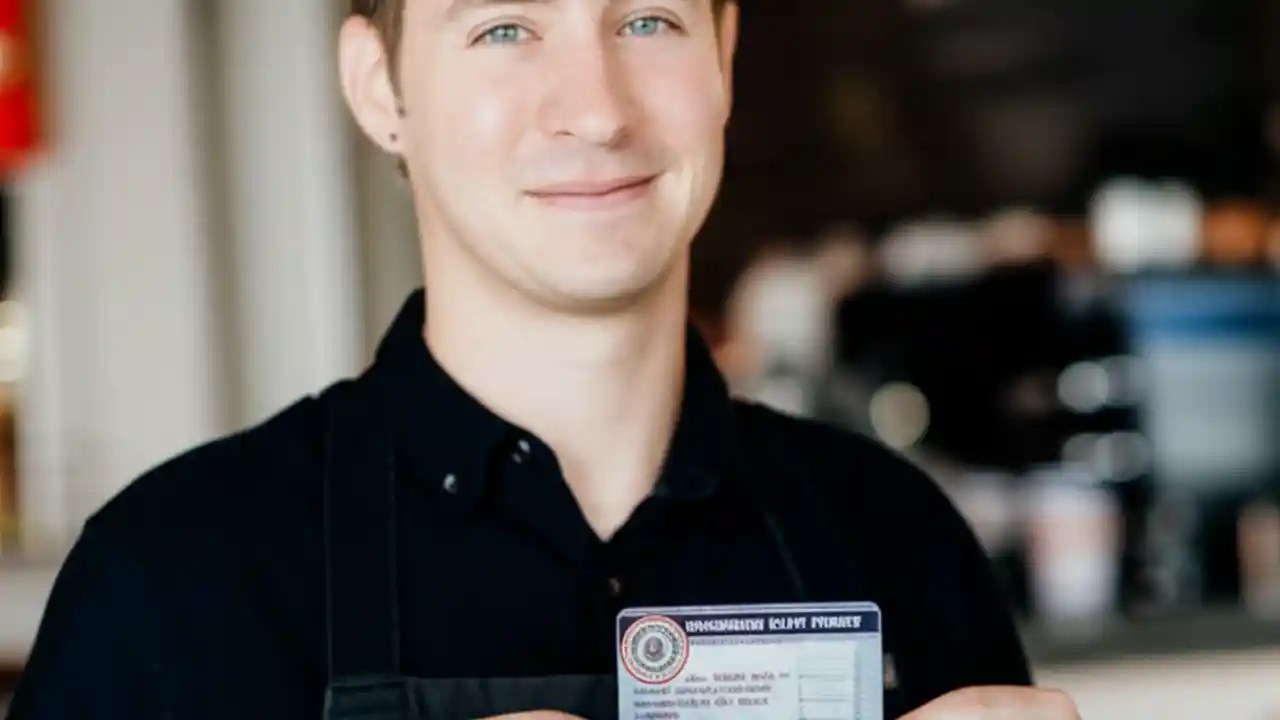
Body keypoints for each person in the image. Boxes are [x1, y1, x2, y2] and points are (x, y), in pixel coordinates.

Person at [8, 0, 1081, 718]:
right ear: (381, 86)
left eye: (649, 19)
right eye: (506, 27)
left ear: (724, 54)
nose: (597, 109)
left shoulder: (895, 539)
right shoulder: (170, 583)